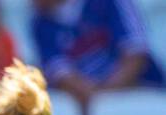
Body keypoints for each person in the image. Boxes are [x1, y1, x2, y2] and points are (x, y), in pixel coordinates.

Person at [31, 0, 165, 106]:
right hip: (93, 105)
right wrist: (100, 101)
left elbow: (136, 55)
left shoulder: (108, 2)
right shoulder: (40, 24)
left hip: (143, 90)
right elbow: (64, 77)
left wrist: (106, 95)